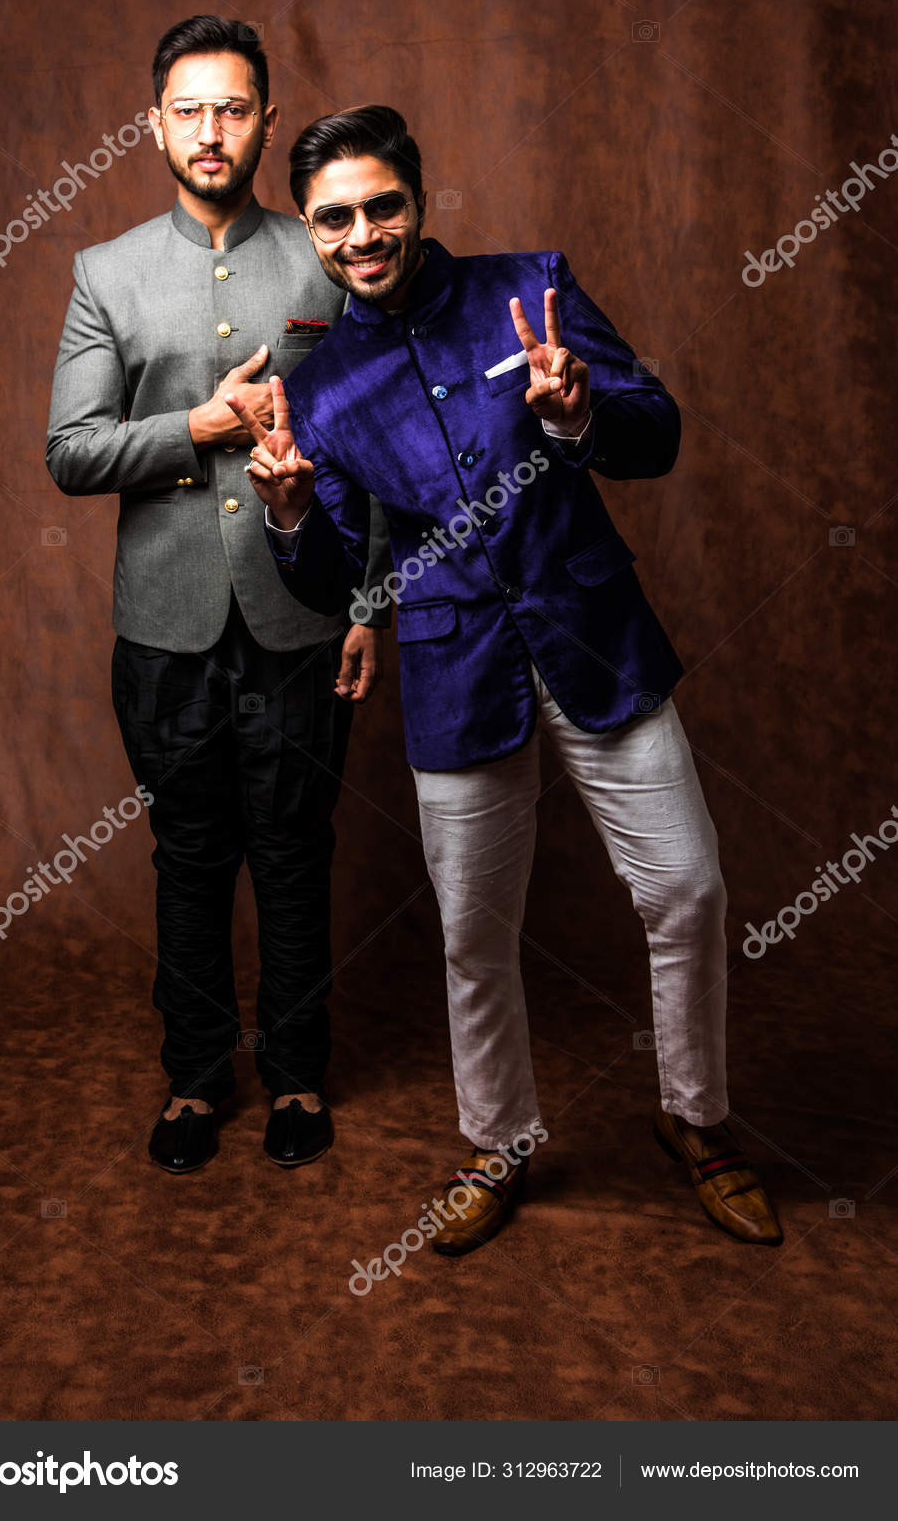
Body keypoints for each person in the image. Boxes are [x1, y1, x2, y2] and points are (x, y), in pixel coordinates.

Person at [226, 103, 782, 1253]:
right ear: (312, 230)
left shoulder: (530, 286)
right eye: (336, 218)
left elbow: (657, 428)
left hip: (596, 636)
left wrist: (581, 411)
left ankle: (700, 1120)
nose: (365, 233)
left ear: (422, 200)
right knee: (476, 933)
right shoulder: (319, 387)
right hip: (453, 667)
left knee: (687, 889)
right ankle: (499, 1141)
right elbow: (331, 573)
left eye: (384, 205)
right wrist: (287, 514)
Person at [46, 22, 391, 1175]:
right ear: (155, 125)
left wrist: (367, 600)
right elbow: (72, 451)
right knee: (188, 854)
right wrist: (198, 426)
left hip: (302, 614)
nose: (211, 130)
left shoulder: (323, 259)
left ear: (266, 121)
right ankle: (196, 1078)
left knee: (295, 849)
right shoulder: (107, 271)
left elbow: (385, 447)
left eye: (233, 109)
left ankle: (296, 1068)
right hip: (166, 623)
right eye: (188, 110)